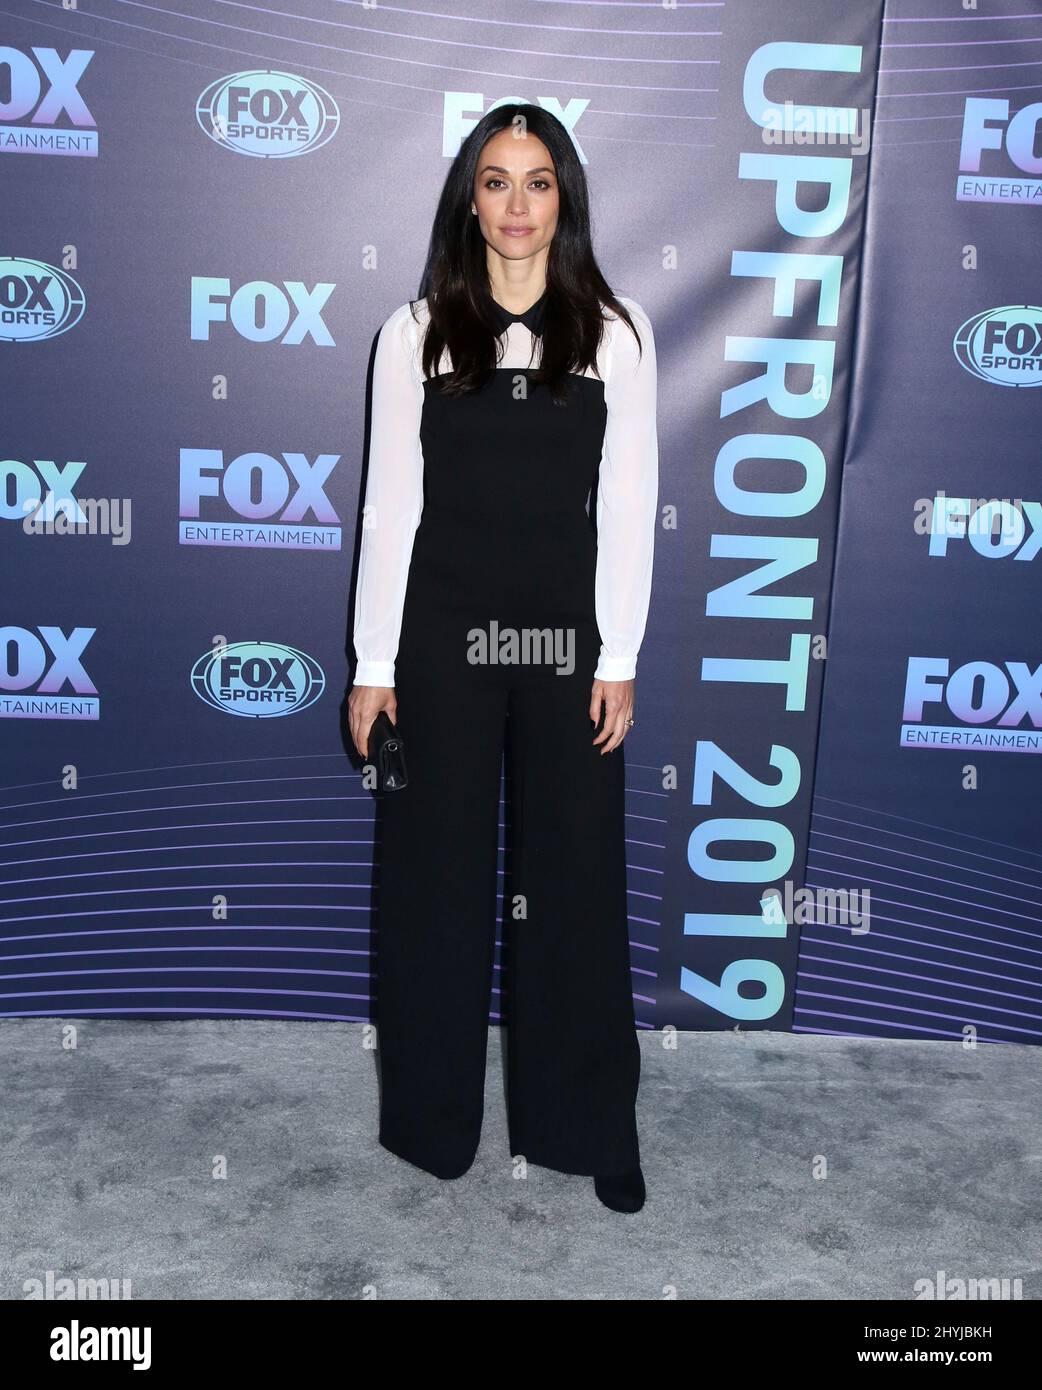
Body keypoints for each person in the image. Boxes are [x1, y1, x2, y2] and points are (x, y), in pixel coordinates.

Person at [347, 104, 658, 1213]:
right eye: (494, 181)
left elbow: (629, 506)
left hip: (567, 641)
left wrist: (617, 653)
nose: (516, 204)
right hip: (441, 640)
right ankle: (431, 1126)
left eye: (536, 181)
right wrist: (371, 664)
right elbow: (391, 508)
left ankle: (590, 1126)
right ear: (467, 199)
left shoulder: (614, 331)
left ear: (563, 197)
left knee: (574, 880)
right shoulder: (415, 330)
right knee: (433, 879)